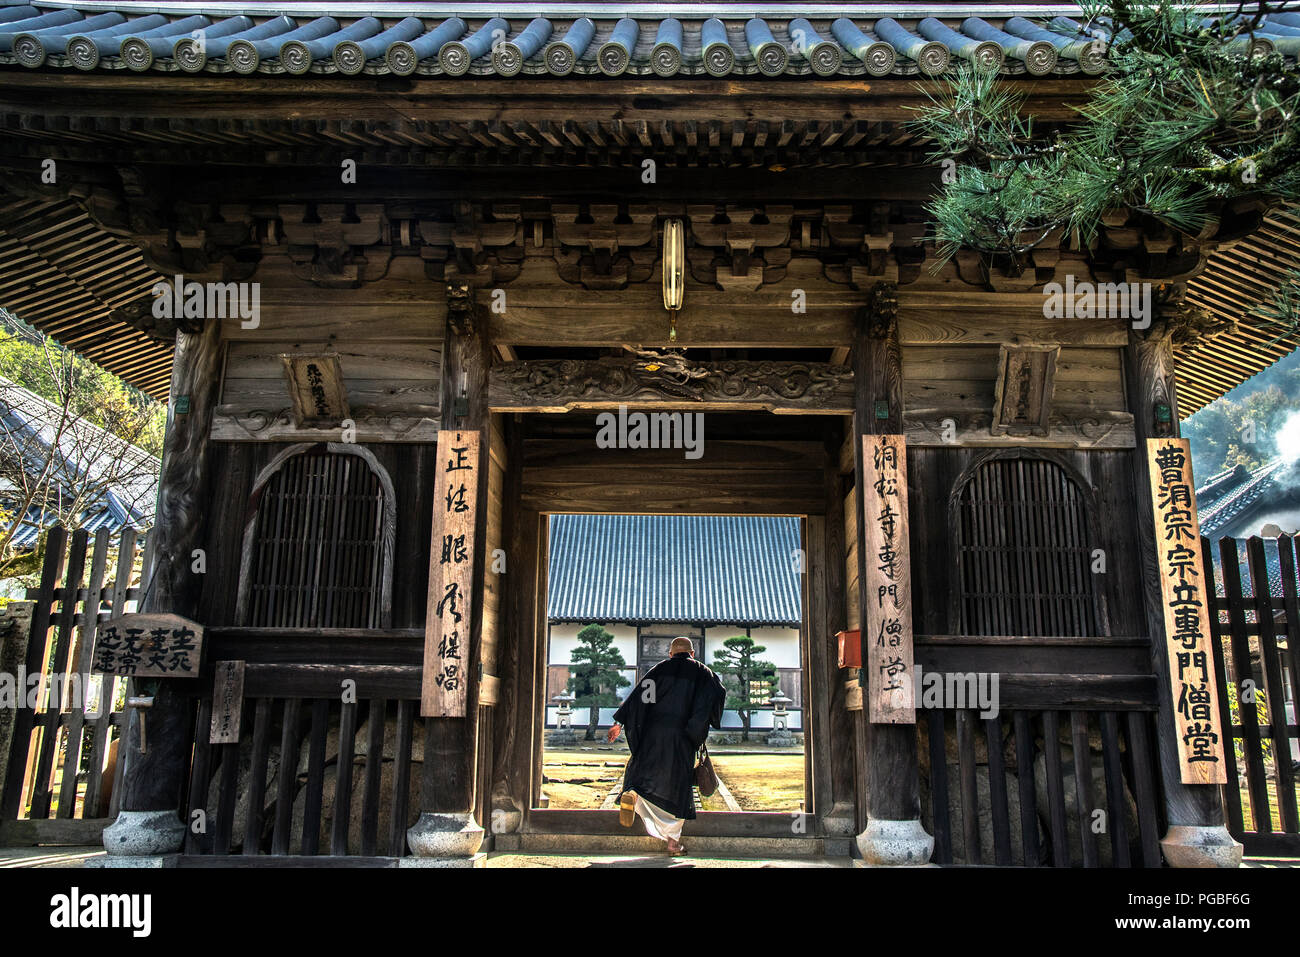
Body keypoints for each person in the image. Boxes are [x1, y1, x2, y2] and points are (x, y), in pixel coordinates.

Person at [606, 636, 725, 855]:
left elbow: (639, 699)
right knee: (677, 787)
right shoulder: (703, 673)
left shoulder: (658, 671)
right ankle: (672, 843)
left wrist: (619, 723)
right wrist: (695, 729)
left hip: (653, 733)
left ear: (670, 654)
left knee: (640, 772)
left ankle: (633, 792)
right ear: (692, 653)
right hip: (681, 736)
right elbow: (716, 695)